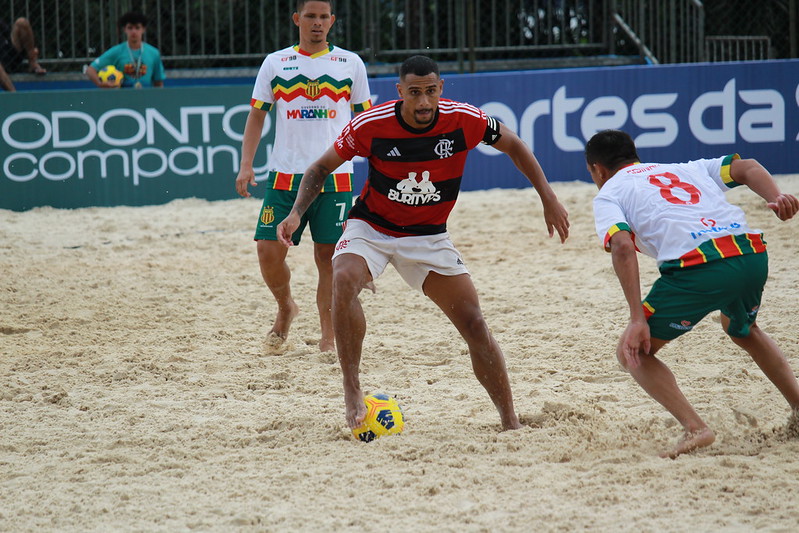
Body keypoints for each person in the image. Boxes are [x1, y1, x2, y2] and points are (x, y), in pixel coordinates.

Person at [276, 55, 570, 431]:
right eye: (414, 93)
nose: (424, 102)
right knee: (344, 277)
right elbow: (319, 168)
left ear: (441, 88)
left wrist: (548, 197)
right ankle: (352, 389)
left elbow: (514, 144)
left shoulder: (466, 119)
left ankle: (510, 420)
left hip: (429, 236)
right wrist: (298, 212)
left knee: (476, 325)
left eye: (430, 91)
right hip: (372, 228)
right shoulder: (372, 124)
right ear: (400, 92)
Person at [585, 129, 799, 459]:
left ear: (597, 169)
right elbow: (748, 166)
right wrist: (777, 196)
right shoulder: (686, 168)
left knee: (633, 352)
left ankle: (696, 428)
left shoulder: (609, 193)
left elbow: (623, 247)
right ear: (634, 155)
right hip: (751, 253)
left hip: (700, 268)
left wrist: (636, 318)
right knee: (742, 329)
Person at [235, 0, 372, 353]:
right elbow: (257, 116)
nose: (317, 22)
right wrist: (246, 165)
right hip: (284, 176)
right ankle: (286, 307)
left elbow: (366, 122)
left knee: (328, 258)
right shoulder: (276, 62)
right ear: (297, 19)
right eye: (310, 16)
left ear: (332, 21)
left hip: (336, 177)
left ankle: (329, 336)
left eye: (323, 16)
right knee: (267, 252)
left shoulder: (351, 63)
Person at [85, 11, 165, 89]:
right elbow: (90, 70)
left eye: (137, 28)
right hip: (123, 97)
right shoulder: (116, 51)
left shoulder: (153, 53)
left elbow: (158, 82)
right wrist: (100, 84)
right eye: (130, 28)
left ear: (143, 29)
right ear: (124, 29)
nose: (133, 32)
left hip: (147, 97)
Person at [0, 17, 46, 92]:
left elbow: (7, 33)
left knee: (22, 22)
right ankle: (14, 95)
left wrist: (30, 49)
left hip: (8, 52)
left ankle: (33, 63)